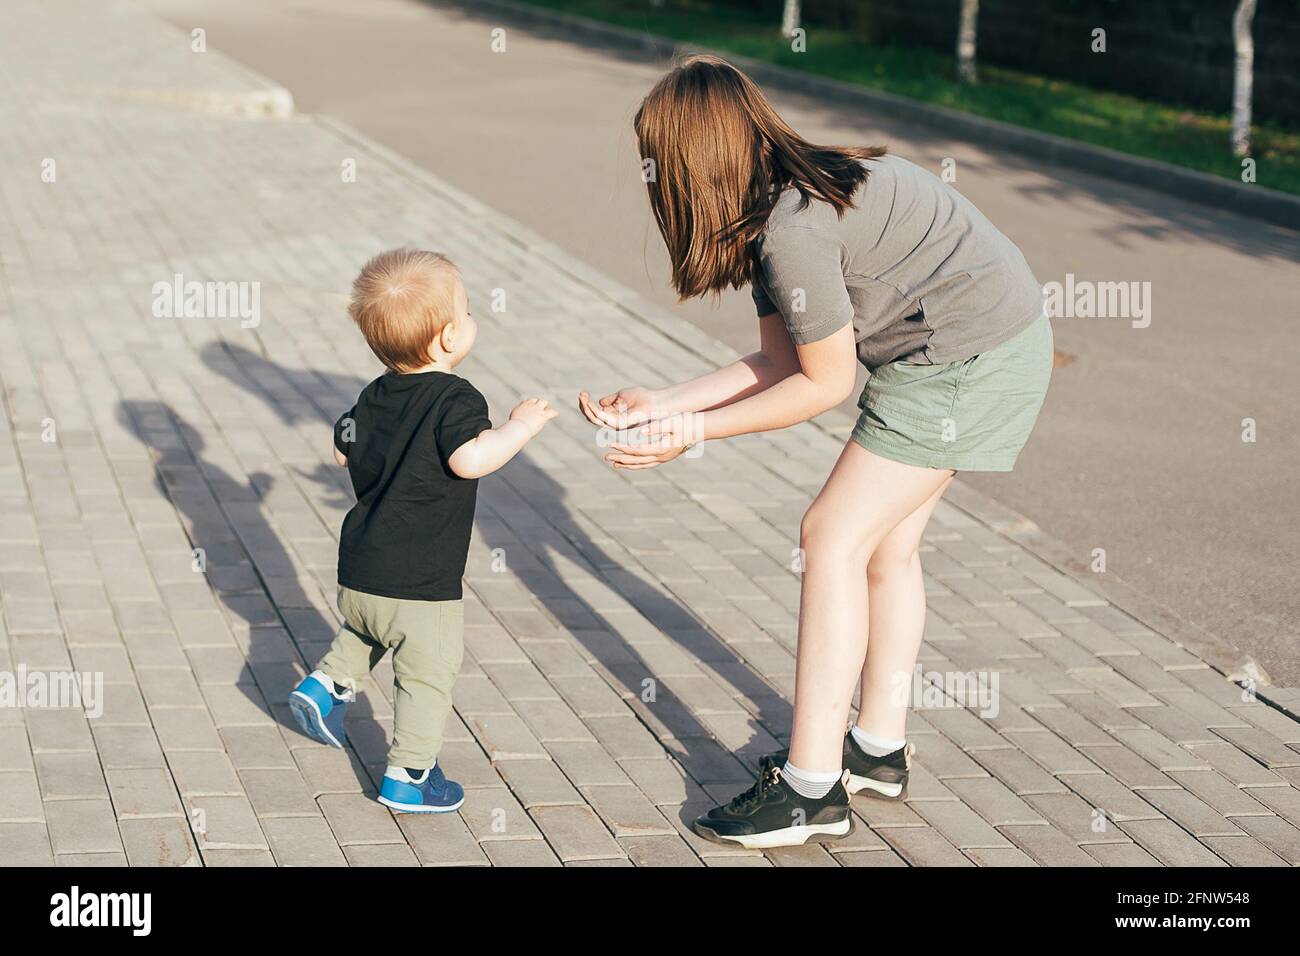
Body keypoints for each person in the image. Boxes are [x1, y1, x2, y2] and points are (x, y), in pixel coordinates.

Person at [578, 55, 1052, 849]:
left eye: (655, 162)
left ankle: (809, 791)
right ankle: (875, 750)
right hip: (967, 346)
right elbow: (777, 363)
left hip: (969, 359)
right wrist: (664, 402)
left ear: (694, 164)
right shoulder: (782, 200)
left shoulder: (795, 231)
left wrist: (689, 435)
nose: (651, 178)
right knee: (883, 550)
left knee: (828, 536)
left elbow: (822, 385)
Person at [289, 248, 556, 813]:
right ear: (446, 342)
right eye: (466, 312)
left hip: (361, 569)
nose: (472, 320)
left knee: (370, 631)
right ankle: (409, 775)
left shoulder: (374, 392)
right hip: (421, 581)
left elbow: (342, 449)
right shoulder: (456, 398)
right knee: (427, 674)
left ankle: (326, 685)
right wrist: (520, 426)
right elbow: (469, 460)